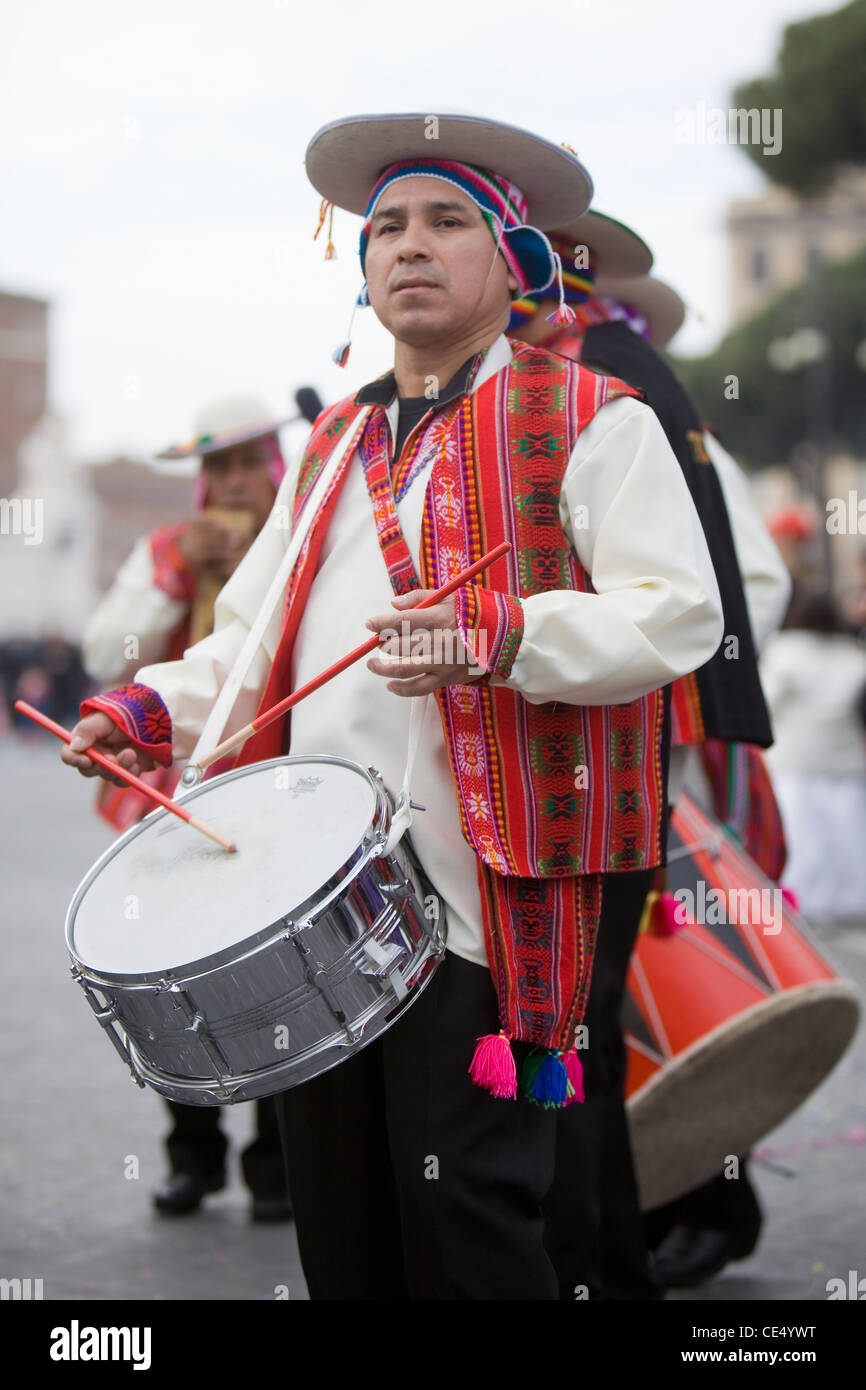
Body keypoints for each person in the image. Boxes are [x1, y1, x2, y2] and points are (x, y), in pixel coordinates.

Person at [61, 111, 725, 1300]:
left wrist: (501, 633)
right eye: (384, 230)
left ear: (511, 260)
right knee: (344, 1224)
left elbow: (675, 611)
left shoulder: (589, 420)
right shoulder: (331, 442)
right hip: (315, 900)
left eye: (445, 221)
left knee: (468, 1217)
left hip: (481, 891)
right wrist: (145, 710)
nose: (407, 246)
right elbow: (249, 634)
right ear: (361, 270)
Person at [507, 222, 791, 1292]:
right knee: (591, 1013)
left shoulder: (606, 397)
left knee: (603, 1004)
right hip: (633, 734)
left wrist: (674, 712)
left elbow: (728, 586)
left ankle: (693, 1206)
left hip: (632, 744)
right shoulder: (616, 387)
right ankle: (624, 1236)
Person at [82, 396, 298, 1222]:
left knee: (278, 969)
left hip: (272, 781)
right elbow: (107, 654)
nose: (236, 481)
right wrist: (174, 576)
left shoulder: (299, 541)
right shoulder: (166, 548)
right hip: (169, 792)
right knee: (168, 978)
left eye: (249, 462)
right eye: (221, 467)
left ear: (276, 466)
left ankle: (278, 1162)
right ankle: (194, 1151)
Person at [761, 588, 866, 924]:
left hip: (794, 761)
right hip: (844, 762)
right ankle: (847, 900)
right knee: (845, 836)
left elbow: (767, 703)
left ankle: (799, 901)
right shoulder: (854, 657)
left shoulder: (784, 652)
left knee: (801, 836)